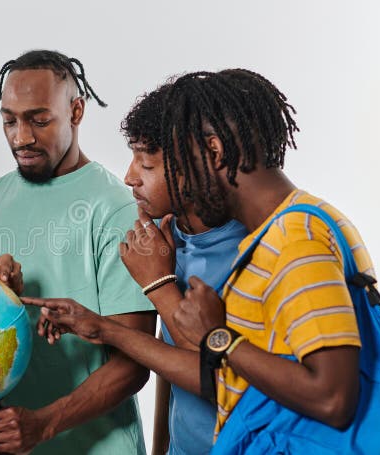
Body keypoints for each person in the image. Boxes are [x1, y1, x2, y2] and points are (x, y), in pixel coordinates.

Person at [25, 68, 373, 443]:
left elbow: (332, 400)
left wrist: (211, 330)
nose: (129, 177)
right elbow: (182, 371)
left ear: (213, 152)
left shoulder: (295, 237)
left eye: (147, 162)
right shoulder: (218, 239)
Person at [0, 50, 155, 455]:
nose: (21, 137)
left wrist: (44, 425)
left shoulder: (118, 211)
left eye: (39, 120)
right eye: (9, 121)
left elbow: (135, 363)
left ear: (76, 112)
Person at [120, 84, 247, 454]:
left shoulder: (248, 249)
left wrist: (158, 283)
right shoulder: (168, 239)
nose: (130, 177)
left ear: (200, 162)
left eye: (146, 163)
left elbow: (220, 379)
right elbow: (169, 366)